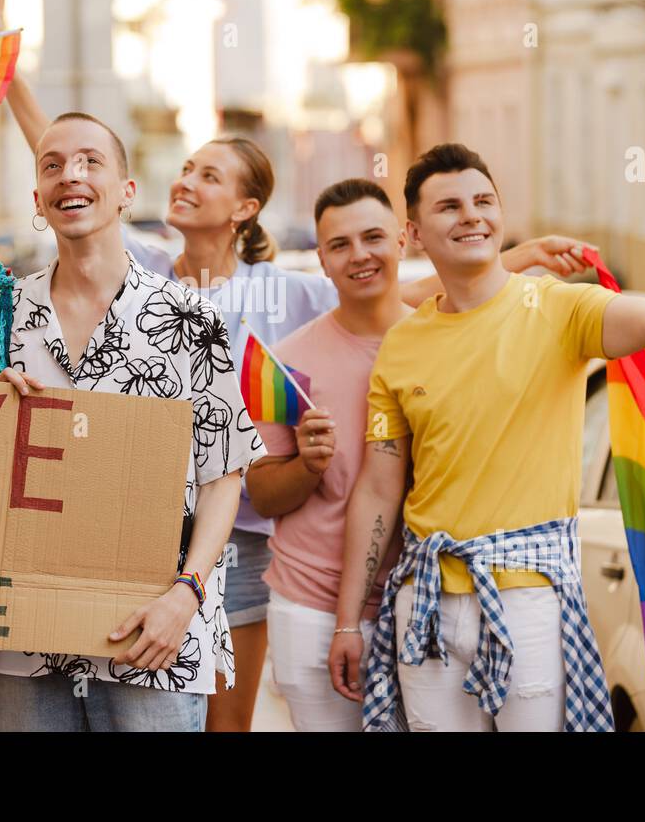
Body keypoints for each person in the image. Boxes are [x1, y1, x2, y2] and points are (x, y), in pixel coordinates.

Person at [0, 0, 592, 730]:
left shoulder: (290, 294)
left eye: (208, 175)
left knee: (223, 719)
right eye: (186, 169)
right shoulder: (147, 270)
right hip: (134, 536)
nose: (187, 181)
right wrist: (10, 73)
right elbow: (71, 170)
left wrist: (513, 260)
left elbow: (393, 287)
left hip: (247, 538)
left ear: (247, 208)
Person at [328, 143, 645, 732]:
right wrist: (348, 621)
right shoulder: (403, 342)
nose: (471, 216)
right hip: (425, 600)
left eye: (484, 200)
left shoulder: (559, 310)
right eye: (449, 206)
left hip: (529, 599)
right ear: (415, 232)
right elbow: (379, 489)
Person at [245, 178, 589, 730]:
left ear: (403, 240)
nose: (360, 256)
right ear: (322, 260)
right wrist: (305, 467)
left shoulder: (442, 335)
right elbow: (260, 494)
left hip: (436, 599)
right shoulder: (289, 362)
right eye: (339, 245)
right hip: (315, 605)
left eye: (374, 238)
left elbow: (466, 281)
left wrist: (520, 256)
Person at [0, 110, 263, 731]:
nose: (71, 175)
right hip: (25, 637)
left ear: (127, 192)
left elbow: (222, 475)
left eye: (91, 161)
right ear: (38, 199)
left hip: (155, 636)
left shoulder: (189, 319)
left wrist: (188, 594)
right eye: (52, 165)